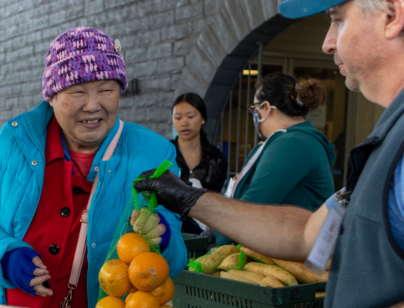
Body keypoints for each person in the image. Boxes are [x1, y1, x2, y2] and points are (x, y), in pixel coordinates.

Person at [134, 0, 404, 306]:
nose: (327, 43)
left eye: (338, 20)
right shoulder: (389, 136)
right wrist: (191, 199)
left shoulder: (298, 143)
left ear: (392, 15)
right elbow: (305, 233)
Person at [0, 27, 187, 308]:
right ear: (51, 96)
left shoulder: (154, 154)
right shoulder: (14, 142)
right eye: (78, 91)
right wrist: (5, 256)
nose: (92, 106)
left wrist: (161, 237)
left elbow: (174, 261)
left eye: (106, 90)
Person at [213, 72, 335, 245]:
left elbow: (253, 207)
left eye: (255, 108)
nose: (253, 114)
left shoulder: (292, 144)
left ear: (266, 108)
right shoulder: (292, 140)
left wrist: (216, 232)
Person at [171, 93, 228, 235]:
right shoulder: (164, 153)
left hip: (204, 235)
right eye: (178, 117)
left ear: (203, 118)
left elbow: (216, 202)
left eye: (190, 116)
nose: (184, 122)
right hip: (169, 230)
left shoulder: (216, 159)